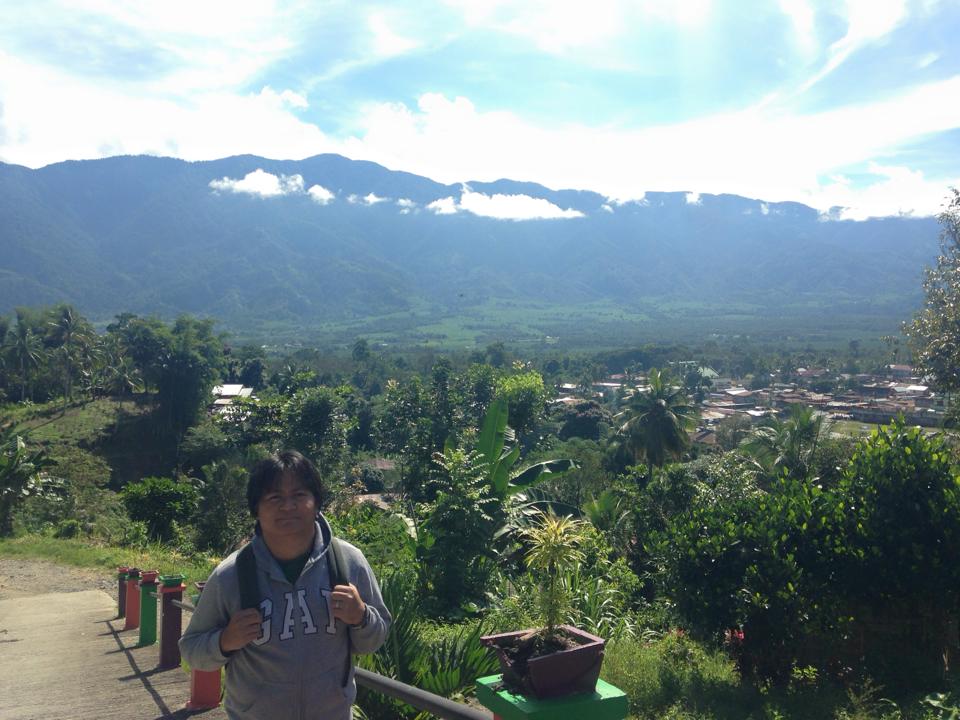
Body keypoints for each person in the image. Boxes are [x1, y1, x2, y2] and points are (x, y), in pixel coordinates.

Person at [180, 450, 391, 720]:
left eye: (299, 495)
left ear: (316, 503)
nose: (288, 506)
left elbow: (375, 638)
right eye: (274, 497)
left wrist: (361, 617)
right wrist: (225, 641)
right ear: (256, 508)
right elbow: (192, 650)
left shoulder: (349, 562)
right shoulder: (230, 575)